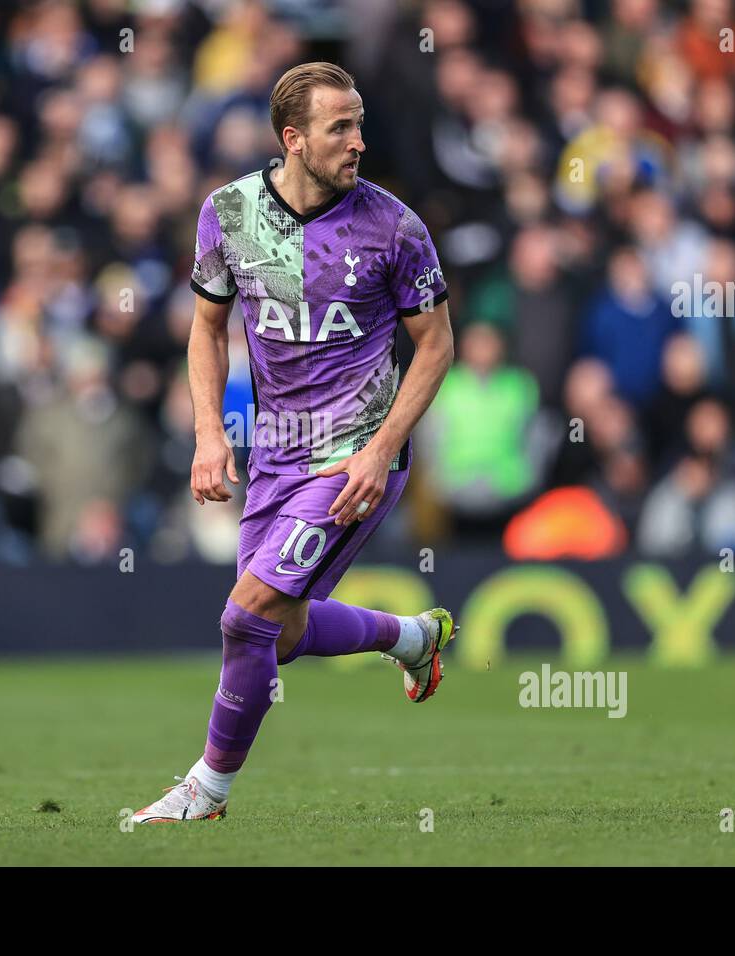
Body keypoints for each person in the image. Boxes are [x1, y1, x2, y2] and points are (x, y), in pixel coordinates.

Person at [130, 62, 457, 823]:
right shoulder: (228, 213)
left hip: (354, 456)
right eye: (340, 128)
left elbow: (436, 344)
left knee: (245, 618)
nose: (357, 141)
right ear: (294, 139)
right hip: (274, 454)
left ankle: (204, 793)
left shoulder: (394, 226)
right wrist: (210, 434)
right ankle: (411, 637)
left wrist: (381, 451)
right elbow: (207, 328)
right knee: (277, 637)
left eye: (360, 123)